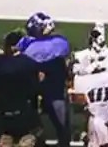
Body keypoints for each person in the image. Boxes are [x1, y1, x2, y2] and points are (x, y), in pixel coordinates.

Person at [17, 13, 71, 147]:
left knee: (33, 121)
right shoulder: (60, 42)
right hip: (53, 86)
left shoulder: (26, 44)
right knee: (61, 122)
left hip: (36, 86)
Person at [0, 30, 42, 147]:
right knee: (27, 140)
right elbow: (35, 88)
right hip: (24, 113)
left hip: (2, 113)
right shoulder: (29, 63)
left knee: (5, 141)